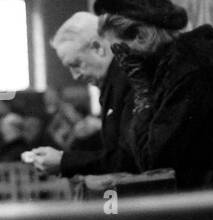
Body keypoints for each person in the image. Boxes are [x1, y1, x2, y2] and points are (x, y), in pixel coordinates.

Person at [93, 0, 213, 193]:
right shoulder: (166, 66)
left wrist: (142, 91)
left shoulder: (190, 68)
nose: (120, 61)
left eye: (119, 49)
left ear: (140, 35)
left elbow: (153, 160)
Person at [27, 12, 137, 178]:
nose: (75, 76)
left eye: (76, 64)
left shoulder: (127, 81)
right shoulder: (112, 84)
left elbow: (129, 159)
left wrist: (64, 161)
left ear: (98, 48)